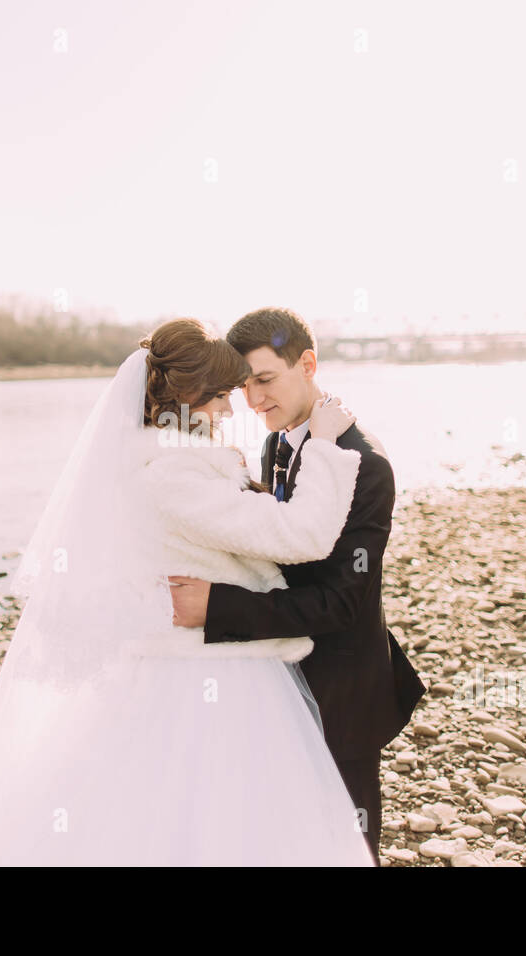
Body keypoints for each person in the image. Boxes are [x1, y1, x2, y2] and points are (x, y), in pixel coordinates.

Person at [0, 317, 375, 865]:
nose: (234, 410)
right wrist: (327, 445)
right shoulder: (175, 474)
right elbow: (299, 535)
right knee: (225, 817)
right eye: (219, 397)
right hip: (212, 674)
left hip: (186, 662)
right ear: (186, 398)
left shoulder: (171, 465)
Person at [169, 307, 427, 860]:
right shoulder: (276, 445)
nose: (254, 401)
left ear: (307, 364)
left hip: (342, 689)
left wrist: (216, 608)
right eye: (243, 388)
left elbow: (339, 602)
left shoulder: (364, 463)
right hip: (276, 680)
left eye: (265, 380)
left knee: (347, 843)